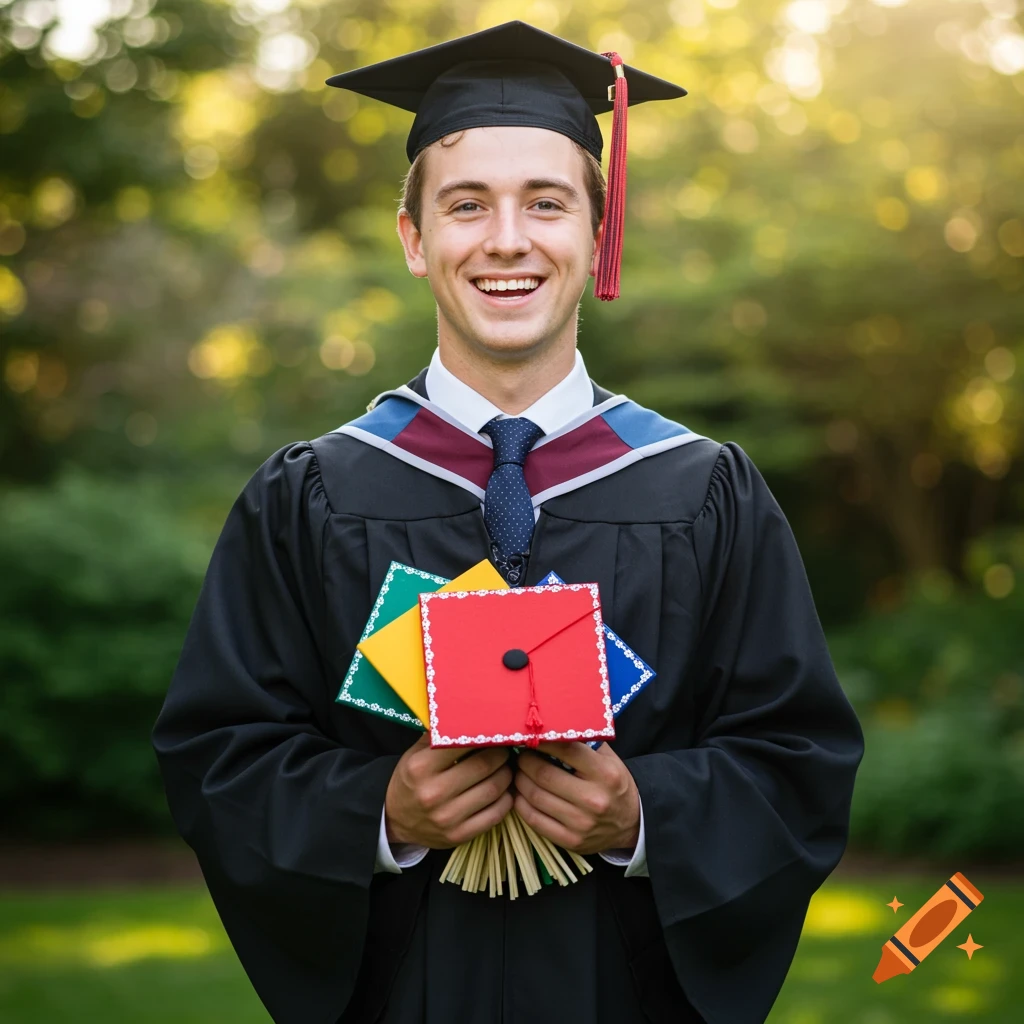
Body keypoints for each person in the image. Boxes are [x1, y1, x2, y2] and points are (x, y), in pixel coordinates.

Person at [152, 21, 864, 1024]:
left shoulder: (704, 491)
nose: (506, 239)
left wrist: (644, 816)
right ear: (412, 238)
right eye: (465, 204)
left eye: (546, 201)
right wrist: (379, 816)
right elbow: (221, 757)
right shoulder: (311, 493)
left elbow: (796, 758)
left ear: (596, 232)